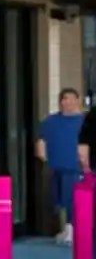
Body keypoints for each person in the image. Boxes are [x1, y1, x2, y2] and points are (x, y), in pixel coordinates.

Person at [46, 88, 86, 244]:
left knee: (72, 200)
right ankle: (67, 229)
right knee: (59, 200)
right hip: (56, 166)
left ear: (77, 100)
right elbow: (41, 140)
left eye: (70, 98)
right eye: (64, 99)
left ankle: (73, 230)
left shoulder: (85, 121)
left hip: (77, 167)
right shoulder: (50, 121)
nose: (67, 102)